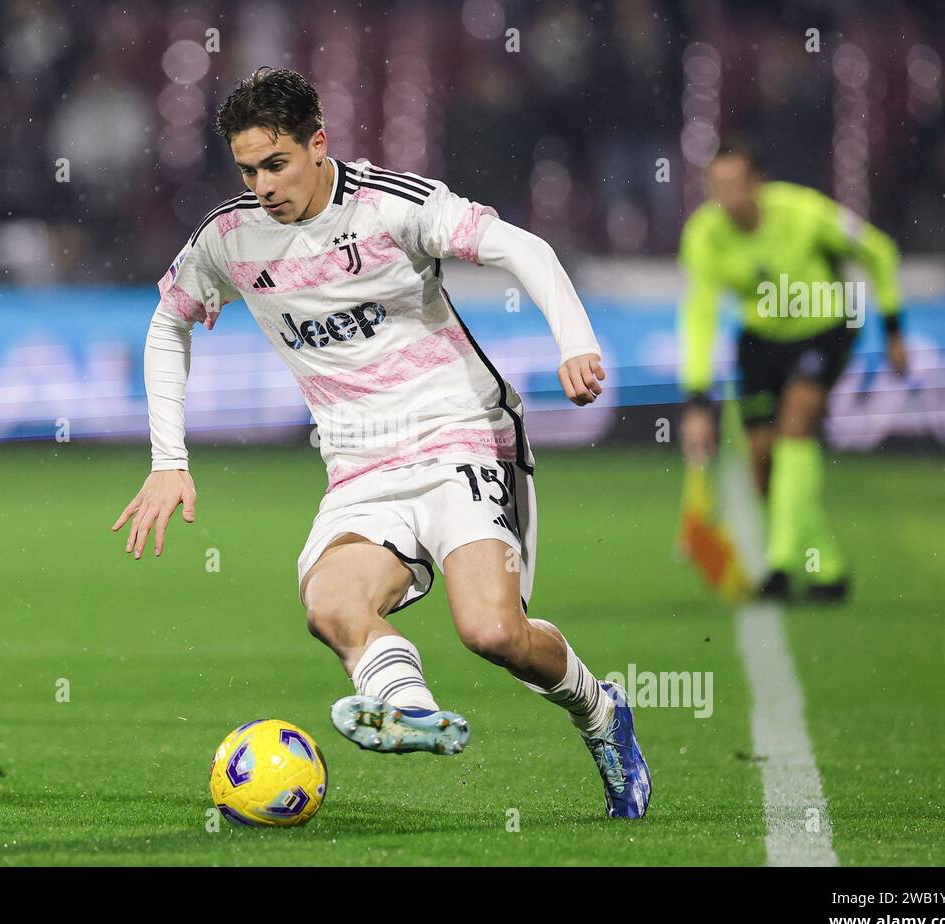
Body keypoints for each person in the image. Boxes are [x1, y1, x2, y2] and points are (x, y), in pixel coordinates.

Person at [113, 68, 649, 818]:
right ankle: (409, 709)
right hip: (358, 464)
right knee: (330, 603)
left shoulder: (394, 205)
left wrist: (575, 343)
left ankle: (600, 711)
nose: (262, 185)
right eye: (247, 169)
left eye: (277, 164)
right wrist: (168, 461)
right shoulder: (230, 239)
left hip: (462, 437)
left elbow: (522, 248)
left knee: (491, 632)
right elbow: (168, 321)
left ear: (318, 144)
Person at [678, 142, 908, 601]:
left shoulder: (804, 212)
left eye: (734, 185)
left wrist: (894, 329)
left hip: (822, 330)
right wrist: (698, 402)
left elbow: (879, 251)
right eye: (715, 187)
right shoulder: (704, 235)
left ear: (757, 183)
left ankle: (779, 564)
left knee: (797, 419)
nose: (726, 198)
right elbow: (700, 315)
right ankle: (828, 569)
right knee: (762, 462)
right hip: (761, 343)